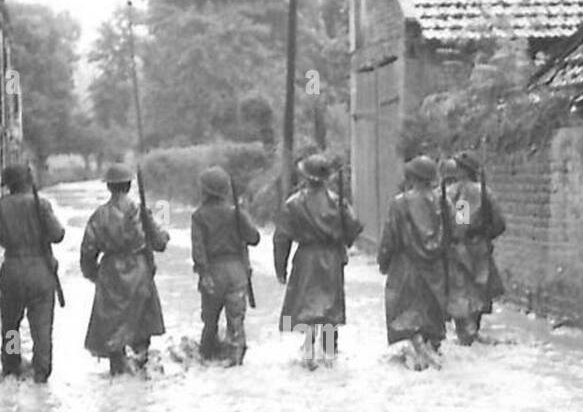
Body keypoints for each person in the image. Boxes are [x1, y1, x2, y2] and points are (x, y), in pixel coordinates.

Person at [0, 164, 65, 383]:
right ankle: (41, 371)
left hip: (12, 272)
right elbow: (58, 235)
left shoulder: (0, 207)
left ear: (8, 184)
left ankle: (12, 365)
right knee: (41, 327)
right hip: (40, 272)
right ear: (28, 181)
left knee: (11, 326)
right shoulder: (41, 204)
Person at [79, 163, 169, 376]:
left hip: (110, 273)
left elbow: (87, 252)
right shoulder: (140, 212)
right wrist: (159, 232)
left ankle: (118, 371)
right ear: (129, 185)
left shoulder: (99, 215)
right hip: (139, 270)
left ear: (109, 187)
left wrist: (95, 275)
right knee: (142, 324)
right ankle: (141, 371)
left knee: (113, 327)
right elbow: (160, 243)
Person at [274, 154, 363, 367]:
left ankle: (308, 350)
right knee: (329, 308)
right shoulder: (338, 202)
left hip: (306, 260)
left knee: (304, 307)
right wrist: (343, 241)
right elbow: (353, 229)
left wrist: (280, 268)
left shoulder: (294, 203)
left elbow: (281, 238)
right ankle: (329, 354)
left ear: (305, 177)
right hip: (331, 259)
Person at [377, 156, 447, 369]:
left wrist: (383, 260)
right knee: (431, 309)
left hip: (405, 266)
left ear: (412, 177)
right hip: (435, 267)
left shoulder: (399, 203)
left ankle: (415, 344)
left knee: (407, 310)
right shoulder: (445, 201)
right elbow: (463, 225)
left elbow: (389, 237)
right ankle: (428, 347)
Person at [191, 165, 260, 366]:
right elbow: (254, 238)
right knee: (236, 323)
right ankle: (236, 360)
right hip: (237, 272)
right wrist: (241, 218)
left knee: (210, 322)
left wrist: (204, 274)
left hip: (212, 273)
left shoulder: (198, 216)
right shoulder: (235, 213)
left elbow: (198, 250)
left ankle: (205, 359)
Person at [444, 150, 507, 344]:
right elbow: (499, 223)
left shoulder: (458, 192)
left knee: (461, 291)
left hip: (461, 249)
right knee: (479, 290)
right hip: (479, 248)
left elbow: (460, 222)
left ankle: (466, 334)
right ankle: (471, 332)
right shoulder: (484, 191)